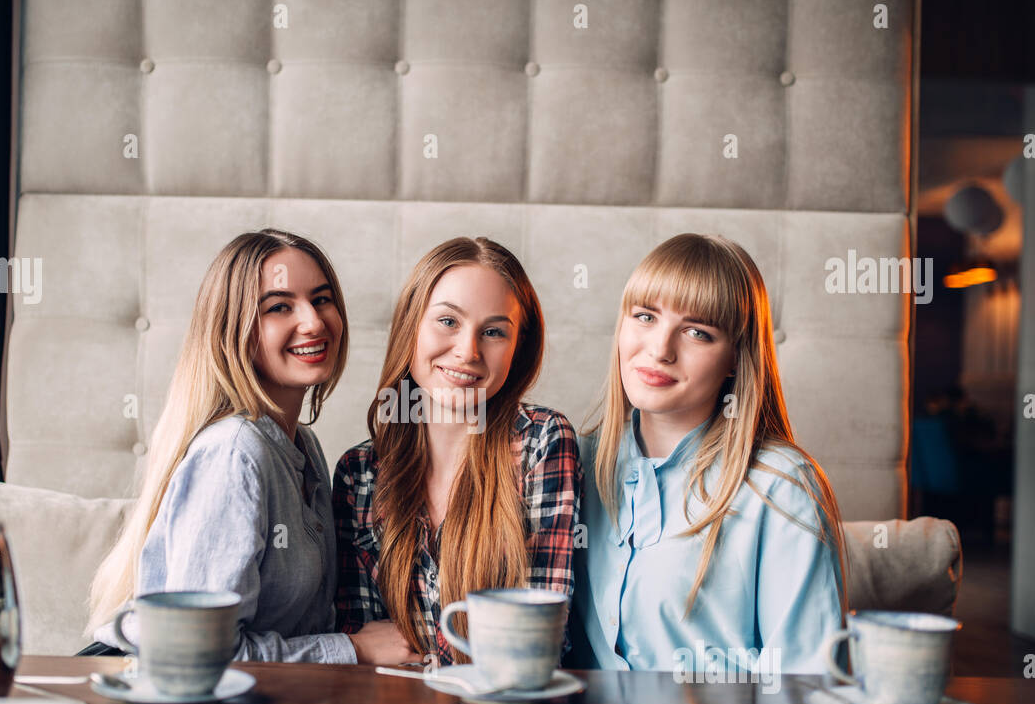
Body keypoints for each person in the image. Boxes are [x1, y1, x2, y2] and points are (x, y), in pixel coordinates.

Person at [83, 228, 407, 665]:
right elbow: (195, 655)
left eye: (322, 299)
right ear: (233, 330)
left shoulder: (303, 446)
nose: (313, 321)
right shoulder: (235, 453)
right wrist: (353, 649)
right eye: (279, 307)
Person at [569, 233, 848, 675]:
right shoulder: (572, 462)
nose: (660, 349)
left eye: (698, 332)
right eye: (644, 316)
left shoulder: (782, 486)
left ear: (736, 357)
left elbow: (805, 684)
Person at [333, 236, 581, 667]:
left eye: (493, 332)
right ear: (411, 326)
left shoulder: (542, 441)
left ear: (517, 349)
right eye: (448, 321)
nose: (468, 351)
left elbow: (540, 640)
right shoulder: (359, 474)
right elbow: (367, 649)